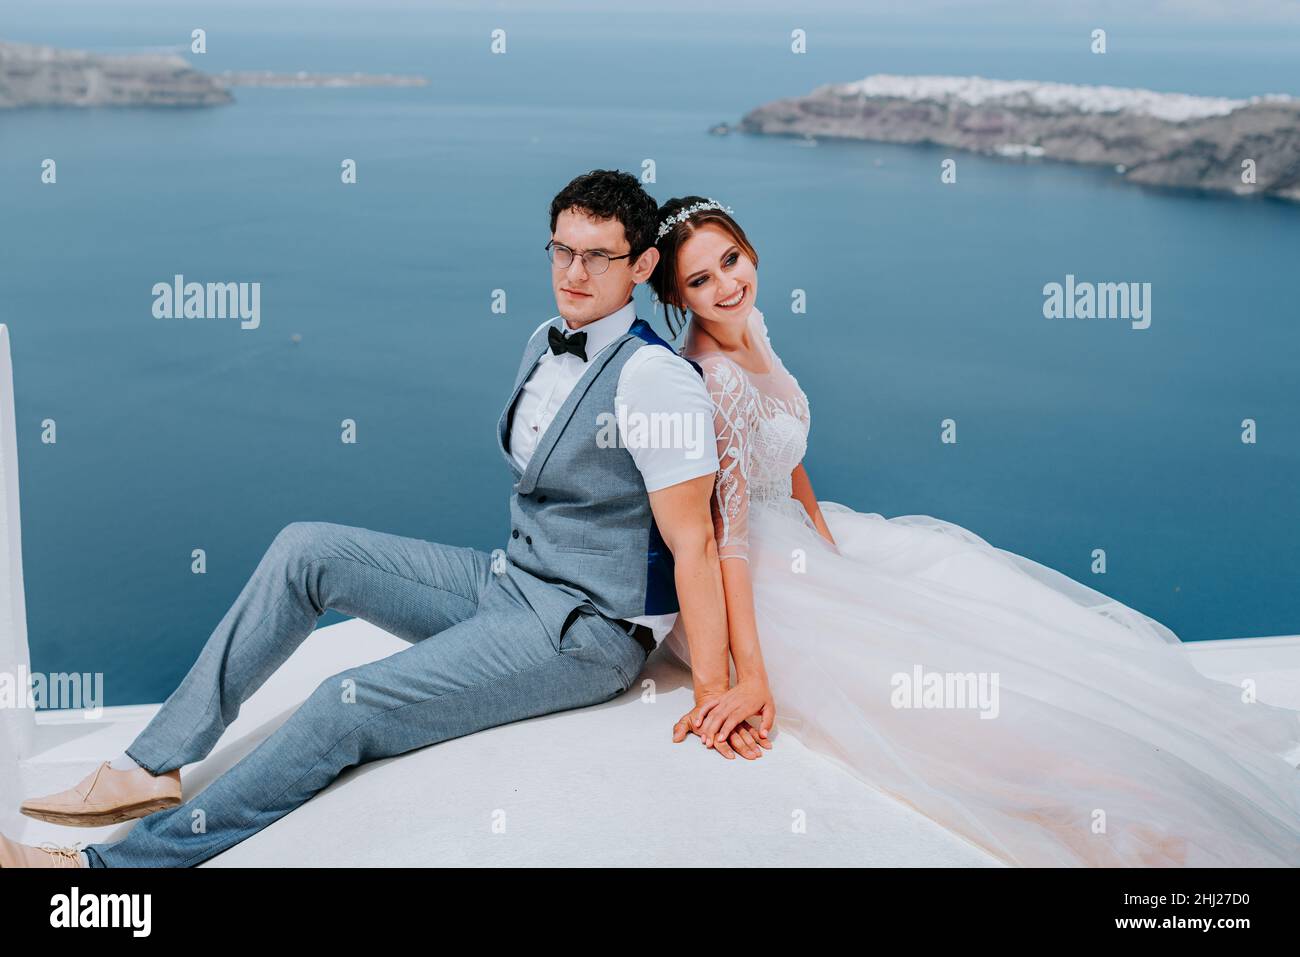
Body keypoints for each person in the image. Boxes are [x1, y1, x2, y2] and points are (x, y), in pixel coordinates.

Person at [1, 170, 737, 868]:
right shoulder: (544, 339)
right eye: (562, 250)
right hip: (510, 583)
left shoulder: (655, 381)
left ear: (641, 266)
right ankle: (148, 763)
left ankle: (105, 864)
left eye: (598, 257)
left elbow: (692, 542)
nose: (573, 272)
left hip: (581, 632)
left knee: (343, 704)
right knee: (307, 549)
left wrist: (709, 692)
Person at [653, 195, 1300, 866]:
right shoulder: (713, 376)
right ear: (675, 292)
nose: (727, 285)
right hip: (758, 565)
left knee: (969, 582)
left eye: (731, 260)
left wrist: (826, 543)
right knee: (937, 683)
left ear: (750, 250)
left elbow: (788, 462)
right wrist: (748, 673)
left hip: (803, 535)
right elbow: (725, 529)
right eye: (701, 280)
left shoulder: (750, 322)